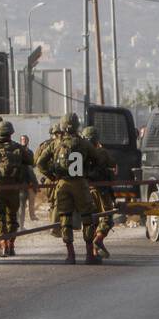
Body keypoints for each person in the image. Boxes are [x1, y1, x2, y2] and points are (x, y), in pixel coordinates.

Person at [34, 113, 104, 264]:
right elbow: (98, 159)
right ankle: (89, 255)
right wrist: (89, 172)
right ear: (77, 125)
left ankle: (70, 255)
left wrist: (52, 176)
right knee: (87, 218)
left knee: (65, 217)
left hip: (62, 184)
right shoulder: (84, 143)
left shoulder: (55, 144)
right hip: (80, 183)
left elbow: (40, 163)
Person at [0, 121, 34, 257]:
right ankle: (11, 245)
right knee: (12, 217)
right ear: (11, 132)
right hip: (13, 188)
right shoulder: (18, 148)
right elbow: (31, 161)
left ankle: (2, 244)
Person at [82, 125, 117, 258]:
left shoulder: (81, 154)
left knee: (91, 220)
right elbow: (113, 164)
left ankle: (93, 252)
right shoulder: (102, 152)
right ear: (96, 139)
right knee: (107, 217)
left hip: (85, 192)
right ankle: (98, 240)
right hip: (101, 191)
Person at [18, 134, 38, 223]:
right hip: (21, 181)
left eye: (25, 139)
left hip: (29, 180)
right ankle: (20, 226)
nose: (24, 141)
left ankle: (32, 216)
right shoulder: (18, 151)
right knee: (21, 205)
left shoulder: (30, 152)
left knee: (31, 200)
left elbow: (32, 165)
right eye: (22, 139)